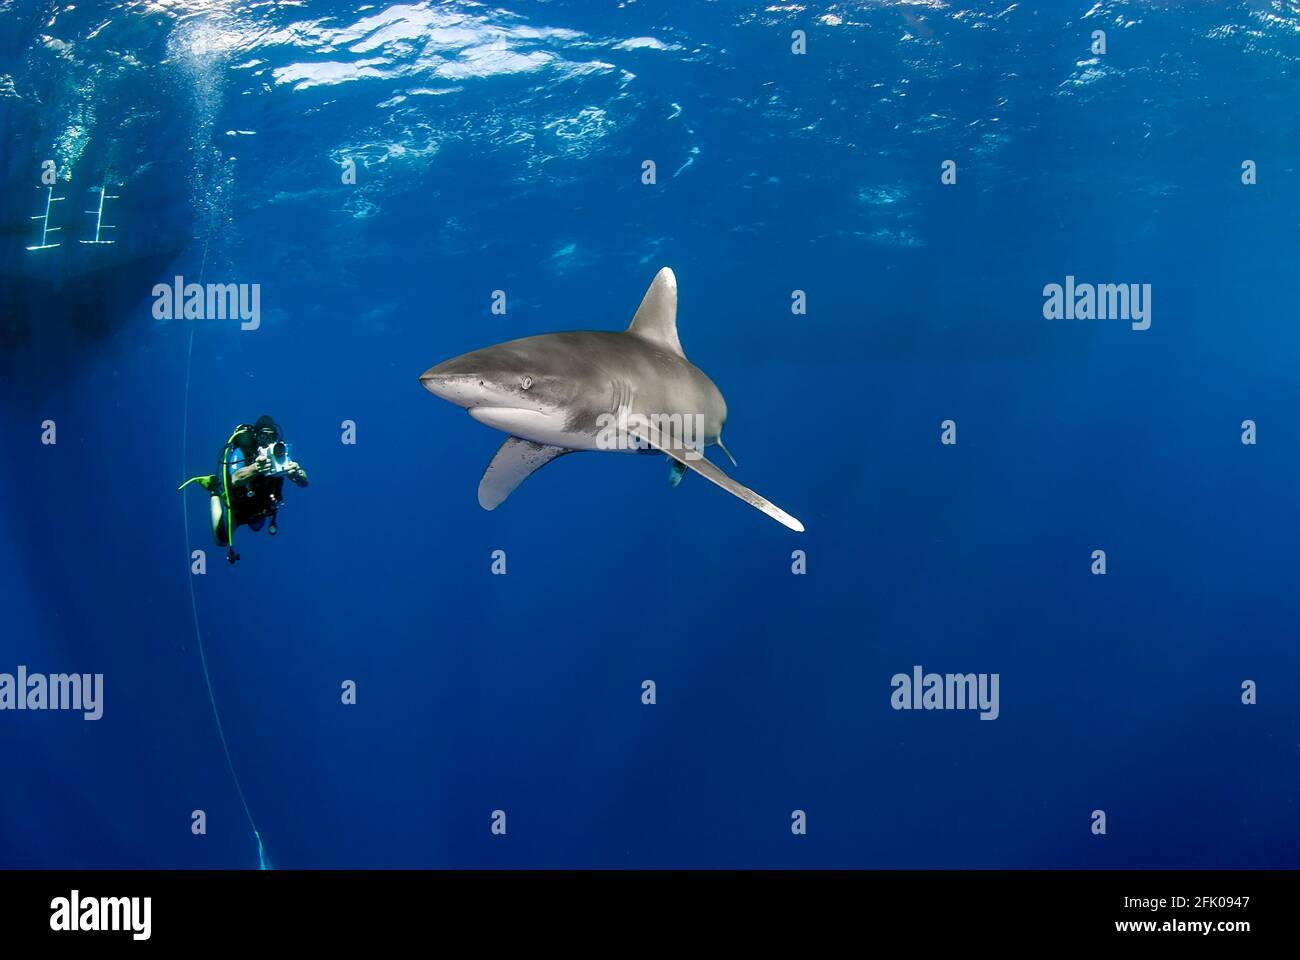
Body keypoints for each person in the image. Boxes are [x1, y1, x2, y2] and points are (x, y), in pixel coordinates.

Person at [179, 415, 309, 563]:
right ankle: (214, 489)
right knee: (220, 540)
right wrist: (255, 468)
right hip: (238, 509)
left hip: (263, 509)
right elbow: (235, 478)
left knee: (257, 527)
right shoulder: (243, 452)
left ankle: (253, 515)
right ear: (256, 437)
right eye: (263, 436)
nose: (267, 441)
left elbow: (304, 481)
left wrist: (298, 475)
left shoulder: (280, 453)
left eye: (271, 436)